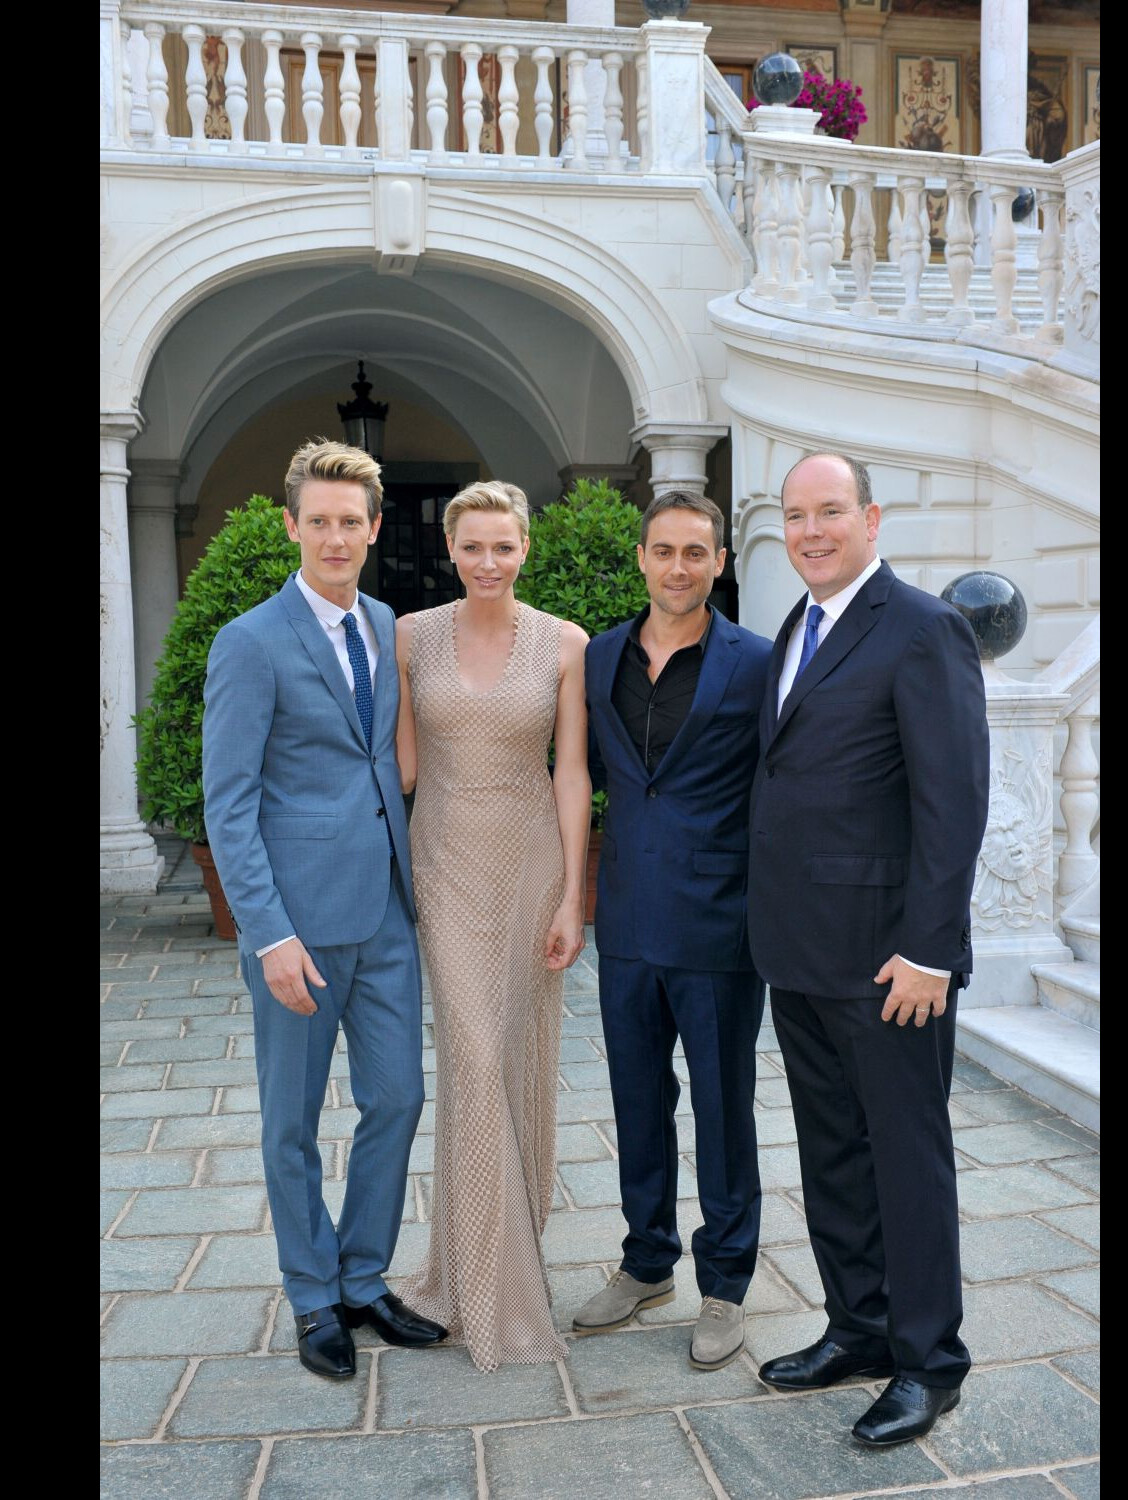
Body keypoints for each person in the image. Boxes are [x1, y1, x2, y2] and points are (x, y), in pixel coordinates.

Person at [748, 452, 989, 1446]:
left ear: (872, 519)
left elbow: (954, 800)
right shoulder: (794, 628)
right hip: (800, 954)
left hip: (894, 964)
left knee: (907, 1157)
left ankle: (931, 1362)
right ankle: (858, 1328)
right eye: (797, 515)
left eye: (830, 512)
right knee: (831, 1153)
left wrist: (931, 950)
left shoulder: (924, 629)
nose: (811, 531)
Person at [202, 439, 446, 1381]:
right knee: (291, 1121)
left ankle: (363, 1276)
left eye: (353, 522)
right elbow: (229, 803)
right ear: (292, 525)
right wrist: (266, 932)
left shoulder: (386, 621)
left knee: (397, 1097)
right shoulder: (250, 641)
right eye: (320, 521)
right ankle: (312, 1298)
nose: (336, 537)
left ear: (375, 529)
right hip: (296, 926)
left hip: (387, 909)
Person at [573, 491, 773, 1372]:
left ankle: (724, 1282)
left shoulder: (758, 664)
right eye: (665, 550)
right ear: (643, 557)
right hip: (625, 919)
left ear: (719, 562)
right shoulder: (597, 657)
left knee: (724, 1108)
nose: (679, 567)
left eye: (697, 552)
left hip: (721, 925)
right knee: (636, 1101)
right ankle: (646, 1260)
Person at [393, 480, 590, 1372]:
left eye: (503, 545)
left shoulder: (565, 644)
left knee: (509, 1061)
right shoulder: (409, 636)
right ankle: (481, 1282)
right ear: (449, 547)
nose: (487, 561)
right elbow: (396, 764)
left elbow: (573, 775)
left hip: (529, 865)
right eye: (472, 545)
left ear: (525, 549)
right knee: (472, 1057)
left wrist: (572, 895)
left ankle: (489, 1261)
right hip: (443, 863)